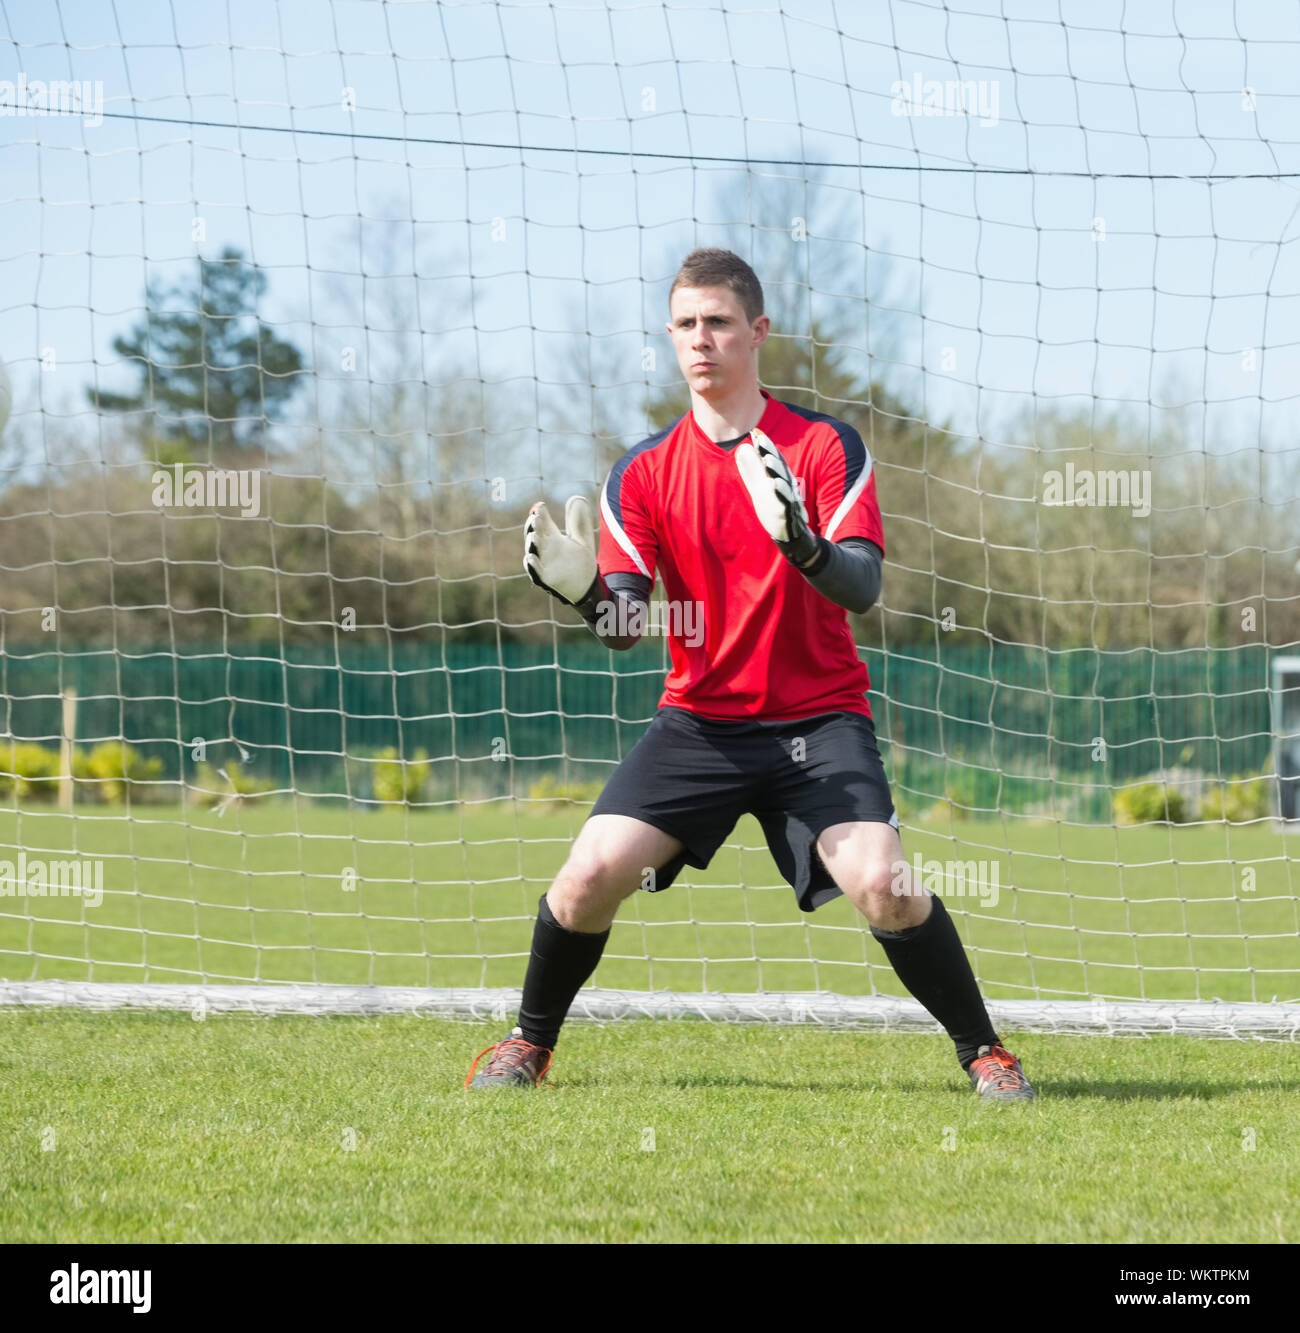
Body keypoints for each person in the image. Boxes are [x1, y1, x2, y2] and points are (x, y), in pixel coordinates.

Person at [464, 247, 1034, 1102]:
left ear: (757, 331)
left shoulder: (822, 446)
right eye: (687, 324)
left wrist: (803, 543)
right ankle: (527, 1044)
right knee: (586, 876)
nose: (703, 341)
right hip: (699, 724)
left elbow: (865, 584)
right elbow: (626, 626)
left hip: (819, 721)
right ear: (670, 334)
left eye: (720, 322)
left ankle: (987, 1053)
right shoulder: (643, 472)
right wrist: (585, 594)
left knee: (884, 884)